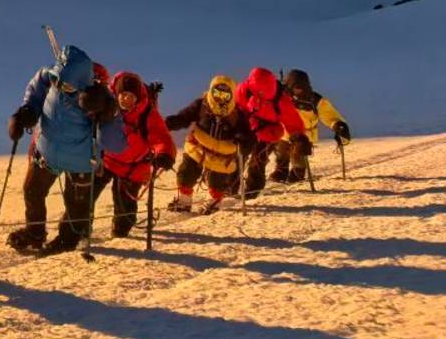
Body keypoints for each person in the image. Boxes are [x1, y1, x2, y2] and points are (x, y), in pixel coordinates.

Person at [5, 45, 126, 256]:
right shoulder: (49, 78)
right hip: (47, 152)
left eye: (67, 86)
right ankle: (35, 233)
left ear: (83, 84)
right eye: (56, 81)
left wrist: (108, 112)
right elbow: (36, 90)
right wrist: (25, 112)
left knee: (76, 207)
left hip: (80, 161)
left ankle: (67, 240)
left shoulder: (99, 100)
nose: (59, 87)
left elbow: (117, 143)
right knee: (32, 191)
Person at [95, 72, 175, 237]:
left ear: (137, 98)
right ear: (116, 94)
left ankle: (120, 234)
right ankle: (79, 231)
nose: (126, 99)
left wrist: (165, 153)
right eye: (123, 95)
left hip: (134, 166)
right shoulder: (106, 106)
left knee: (125, 205)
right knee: (85, 194)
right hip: (106, 160)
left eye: (131, 96)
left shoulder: (148, 114)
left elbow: (161, 136)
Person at [163, 74, 252, 213]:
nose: (220, 98)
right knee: (187, 171)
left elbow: (246, 132)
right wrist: (169, 123)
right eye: (217, 93)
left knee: (217, 180)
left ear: (231, 95)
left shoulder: (237, 113)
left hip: (223, 153)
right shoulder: (202, 104)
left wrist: (243, 140)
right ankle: (184, 200)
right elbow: (185, 117)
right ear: (211, 91)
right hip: (199, 146)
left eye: (225, 95)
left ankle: (215, 201)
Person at [236, 67, 307, 198]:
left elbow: (293, 121)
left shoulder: (282, 100)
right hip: (247, 127)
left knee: (258, 159)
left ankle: (253, 189)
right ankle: (230, 186)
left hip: (269, 131)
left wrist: (299, 138)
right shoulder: (244, 90)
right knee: (237, 155)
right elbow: (236, 107)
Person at [273, 69, 351, 183]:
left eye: (301, 86)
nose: (299, 90)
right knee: (281, 151)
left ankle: (297, 172)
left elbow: (328, 113)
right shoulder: (283, 97)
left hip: (305, 134)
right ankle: (281, 171)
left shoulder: (315, 100)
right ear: (289, 86)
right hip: (285, 132)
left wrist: (337, 124)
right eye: (295, 87)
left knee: (298, 153)